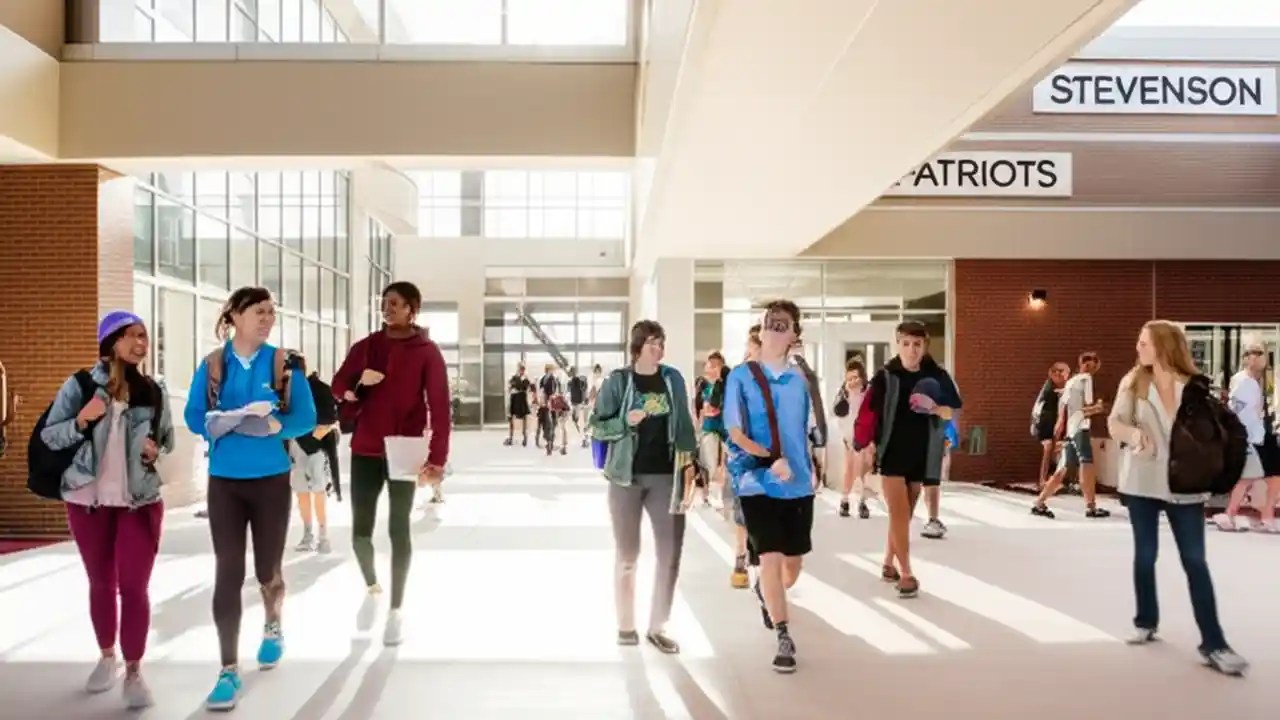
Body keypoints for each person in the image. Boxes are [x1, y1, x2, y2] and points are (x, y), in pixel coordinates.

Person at [183, 287, 318, 711]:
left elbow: (307, 417)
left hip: (271, 482)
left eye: (271, 312)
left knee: (266, 570)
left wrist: (276, 424)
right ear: (236, 316)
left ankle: (273, 622)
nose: (267, 318)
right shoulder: (213, 364)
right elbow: (191, 415)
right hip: (224, 482)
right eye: (259, 311)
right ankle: (227, 670)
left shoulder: (283, 363)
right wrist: (217, 422)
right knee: (227, 570)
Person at [41, 311, 173, 710]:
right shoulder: (80, 385)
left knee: (134, 587)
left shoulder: (152, 389)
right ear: (110, 341)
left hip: (139, 503)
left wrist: (156, 448)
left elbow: (165, 439)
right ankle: (106, 655)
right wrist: (83, 419)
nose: (141, 343)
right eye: (132, 336)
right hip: (88, 502)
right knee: (101, 582)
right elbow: (50, 434)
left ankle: (133, 671)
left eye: (145, 336)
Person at [1108, 320, 1247, 676]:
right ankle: (1146, 620)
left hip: (1185, 486)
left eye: (1144, 343)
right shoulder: (1133, 382)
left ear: (1164, 346)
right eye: (1139, 342)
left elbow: (1220, 432)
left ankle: (1214, 643)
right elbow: (1114, 423)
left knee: (1195, 562)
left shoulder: (1196, 389)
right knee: (1145, 555)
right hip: (1142, 481)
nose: (1138, 348)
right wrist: (1137, 437)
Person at [332, 281, 451, 647]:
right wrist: (357, 383)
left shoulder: (427, 352)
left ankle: (396, 610)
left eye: (396, 304)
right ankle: (372, 584)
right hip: (365, 449)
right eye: (385, 303)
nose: (388, 309)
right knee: (359, 534)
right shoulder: (366, 347)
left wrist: (437, 460)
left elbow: (441, 408)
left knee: (399, 529)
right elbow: (338, 387)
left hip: (405, 449)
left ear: (413, 309)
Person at [589, 320, 697, 655]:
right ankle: (625, 625)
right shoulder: (618, 382)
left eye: (661, 342)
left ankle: (657, 626)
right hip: (626, 478)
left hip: (667, 476)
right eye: (652, 342)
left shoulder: (673, 379)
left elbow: (684, 424)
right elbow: (597, 425)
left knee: (670, 553)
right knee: (628, 555)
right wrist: (625, 421)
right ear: (637, 347)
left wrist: (691, 462)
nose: (658, 348)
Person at [724, 301, 817, 673]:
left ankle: (767, 593)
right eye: (770, 323)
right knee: (772, 559)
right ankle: (783, 635)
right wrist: (765, 459)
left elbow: (808, 429)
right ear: (760, 330)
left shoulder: (800, 381)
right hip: (755, 481)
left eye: (785, 325)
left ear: (794, 334)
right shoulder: (741, 376)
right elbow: (733, 430)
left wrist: (813, 465)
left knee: (792, 566)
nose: (777, 329)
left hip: (797, 485)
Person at [854, 321, 961, 599]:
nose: (911, 350)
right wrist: (866, 445)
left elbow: (951, 412)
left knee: (905, 514)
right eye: (905, 344)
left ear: (925, 346)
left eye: (917, 344)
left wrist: (936, 408)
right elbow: (868, 414)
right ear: (897, 345)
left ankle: (889, 563)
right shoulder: (886, 376)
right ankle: (906, 573)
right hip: (892, 451)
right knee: (898, 513)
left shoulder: (937, 376)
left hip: (922, 452)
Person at [1032, 352, 1111, 519]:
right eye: (1091, 366)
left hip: (1070, 429)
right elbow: (1086, 408)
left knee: (1063, 468)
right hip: (1080, 426)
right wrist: (1100, 407)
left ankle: (1039, 503)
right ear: (1094, 366)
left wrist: (1060, 429)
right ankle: (1091, 507)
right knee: (1086, 463)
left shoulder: (1070, 382)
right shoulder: (1086, 379)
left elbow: (1063, 410)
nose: (1091, 369)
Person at [1216, 338, 1279, 533]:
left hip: (1258, 434)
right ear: (1245, 358)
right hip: (1252, 437)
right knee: (1253, 476)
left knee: (1269, 475)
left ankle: (1262, 515)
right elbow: (1237, 411)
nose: (1256, 357)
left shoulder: (1256, 380)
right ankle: (1234, 514)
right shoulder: (1244, 382)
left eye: (1260, 353)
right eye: (1251, 353)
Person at [292, 362, 340, 553]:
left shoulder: (319, 389)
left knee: (318, 491)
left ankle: (322, 534)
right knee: (302, 492)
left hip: (316, 447)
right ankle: (308, 533)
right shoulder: (286, 390)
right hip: (297, 445)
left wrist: (313, 438)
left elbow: (330, 419)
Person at [834, 361, 872, 519]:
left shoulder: (869, 394)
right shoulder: (844, 395)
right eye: (849, 378)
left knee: (864, 470)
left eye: (856, 377)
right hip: (849, 437)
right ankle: (845, 499)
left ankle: (862, 501)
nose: (853, 382)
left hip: (866, 437)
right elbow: (841, 417)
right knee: (849, 469)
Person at [694, 352, 728, 510]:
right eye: (709, 365)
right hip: (708, 429)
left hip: (725, 429)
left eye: (715, 366)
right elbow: (700, 409)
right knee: (709, 462)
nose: (711, 369)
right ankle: (708, 493)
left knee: (723, 463)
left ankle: (717, 493)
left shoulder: (725, 385)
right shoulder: (703, 386)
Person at [1032, 363, 1070, 489]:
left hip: (1048, 423)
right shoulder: (1050, 388)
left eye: (1063, 372)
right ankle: (1043, 480)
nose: (1060, 375)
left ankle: (1049, 478)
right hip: (1045, 424)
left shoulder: (1051, 387)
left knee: (1056, 448)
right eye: (1057, 372)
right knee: (1049, 449)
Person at [505, 364, 532, 447]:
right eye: (520, 369)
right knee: (511, 418)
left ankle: (524, 437)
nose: (521, 371)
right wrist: (514, 387)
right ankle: (511, 437)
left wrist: (516, 387)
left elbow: (524, 387)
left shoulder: (525, 379)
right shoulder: (514, 377)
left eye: (522, 369)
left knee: (524, 418)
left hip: (521, 399)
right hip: (515, 398)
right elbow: (510, 386)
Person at [567, 366, 590, 446]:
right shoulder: (571, 382)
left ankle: (584, 438)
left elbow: (584, 391)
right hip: (576, 403)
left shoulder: (580, 381)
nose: (572, 373)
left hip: (579, 404)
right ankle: (584, 438)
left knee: (580, 421)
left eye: (572, 371)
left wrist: (584, 401)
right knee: (577, 421)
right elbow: (570, 393)